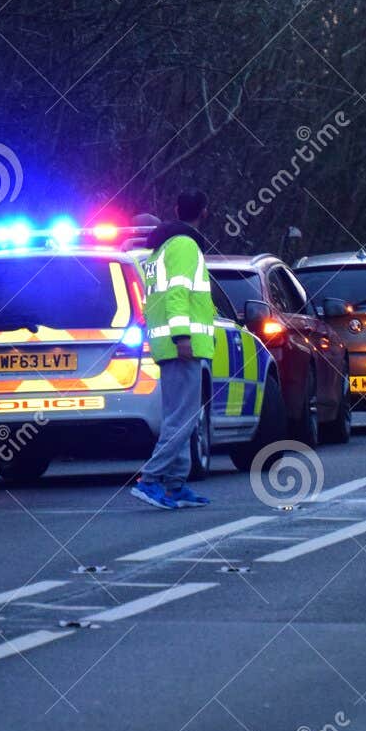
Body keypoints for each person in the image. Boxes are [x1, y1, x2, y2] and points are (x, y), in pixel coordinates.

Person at [133, 190, 217, 509]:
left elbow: (157, 298)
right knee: (184, 418)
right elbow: (177, 295)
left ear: (175, 209)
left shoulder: (160, 249)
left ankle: (176, 484)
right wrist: (183, 335)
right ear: (205, 213)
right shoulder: (185, 246)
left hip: (167, 343)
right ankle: (150, 479)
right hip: (183, 344)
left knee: (180, 417)